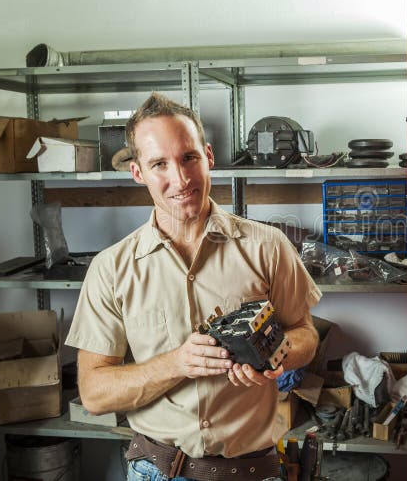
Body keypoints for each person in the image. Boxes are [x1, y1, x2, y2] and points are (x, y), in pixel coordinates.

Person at [65, 93, 321, 481]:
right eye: (159, 164)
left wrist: (275, 356)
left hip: (252, 470)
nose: (181, 179)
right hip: (156, 470)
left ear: (208, 156)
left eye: (189, 158)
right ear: (138, 173)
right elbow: (95, 393)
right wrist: (177, 364)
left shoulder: (267, 246)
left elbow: (306, 334)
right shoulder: (111, 269)